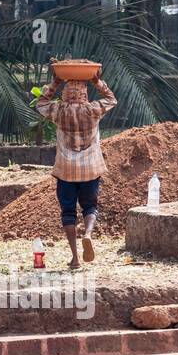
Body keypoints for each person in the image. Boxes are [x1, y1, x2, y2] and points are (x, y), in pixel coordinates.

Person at [33, 65, 116, 269]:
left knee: (68, 212)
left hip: (66, 171)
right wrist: (97, 82)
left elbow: (41, 103)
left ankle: (75, 258)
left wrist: (55, 82)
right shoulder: (93, 109)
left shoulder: (59, 110)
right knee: (90, 207)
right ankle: (87, 234)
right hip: (90, 169)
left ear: (65, 95)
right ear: (85, 96)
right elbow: (111, 100)